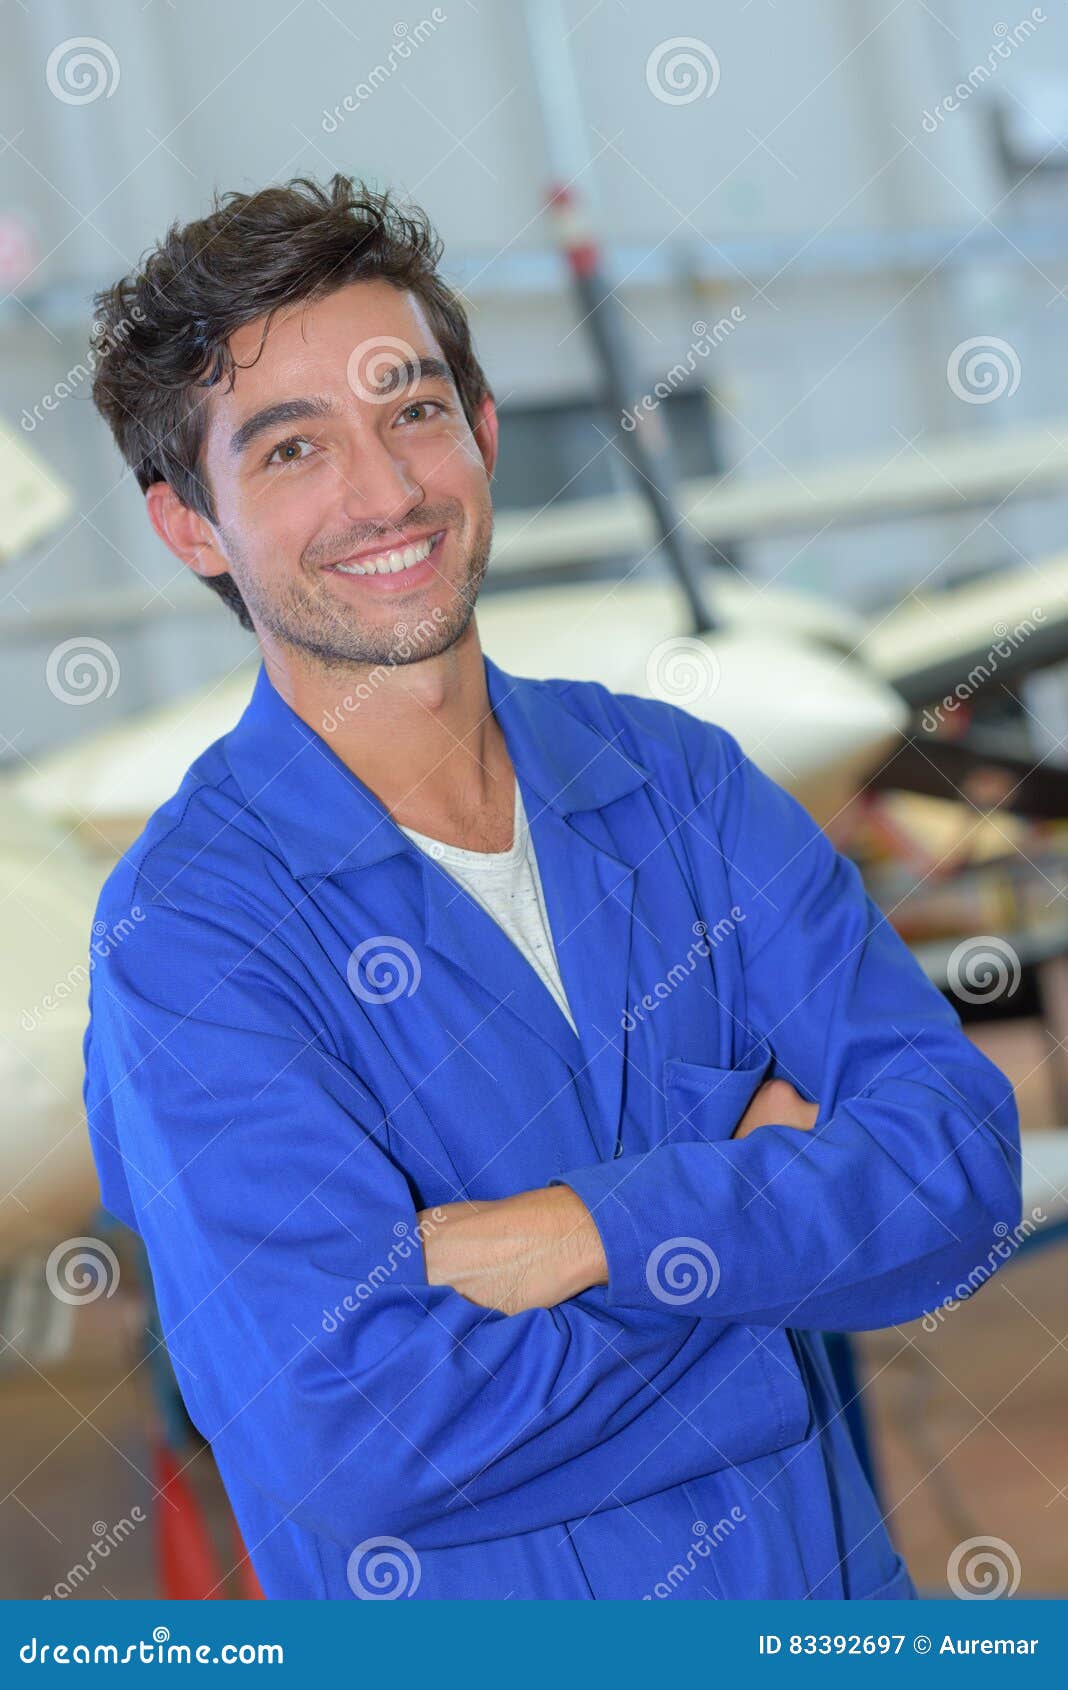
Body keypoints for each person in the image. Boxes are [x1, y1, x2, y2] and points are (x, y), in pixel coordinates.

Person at [83, 174, 1021, 1601]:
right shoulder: (190, 937)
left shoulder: (686, 787)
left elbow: (959, 1170)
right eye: (291, 450)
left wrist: (582, 1232)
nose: (385, 489)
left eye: (412, 410)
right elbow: (361, 1423)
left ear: (484, 430)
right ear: (190, 525)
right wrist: (756, 1252)